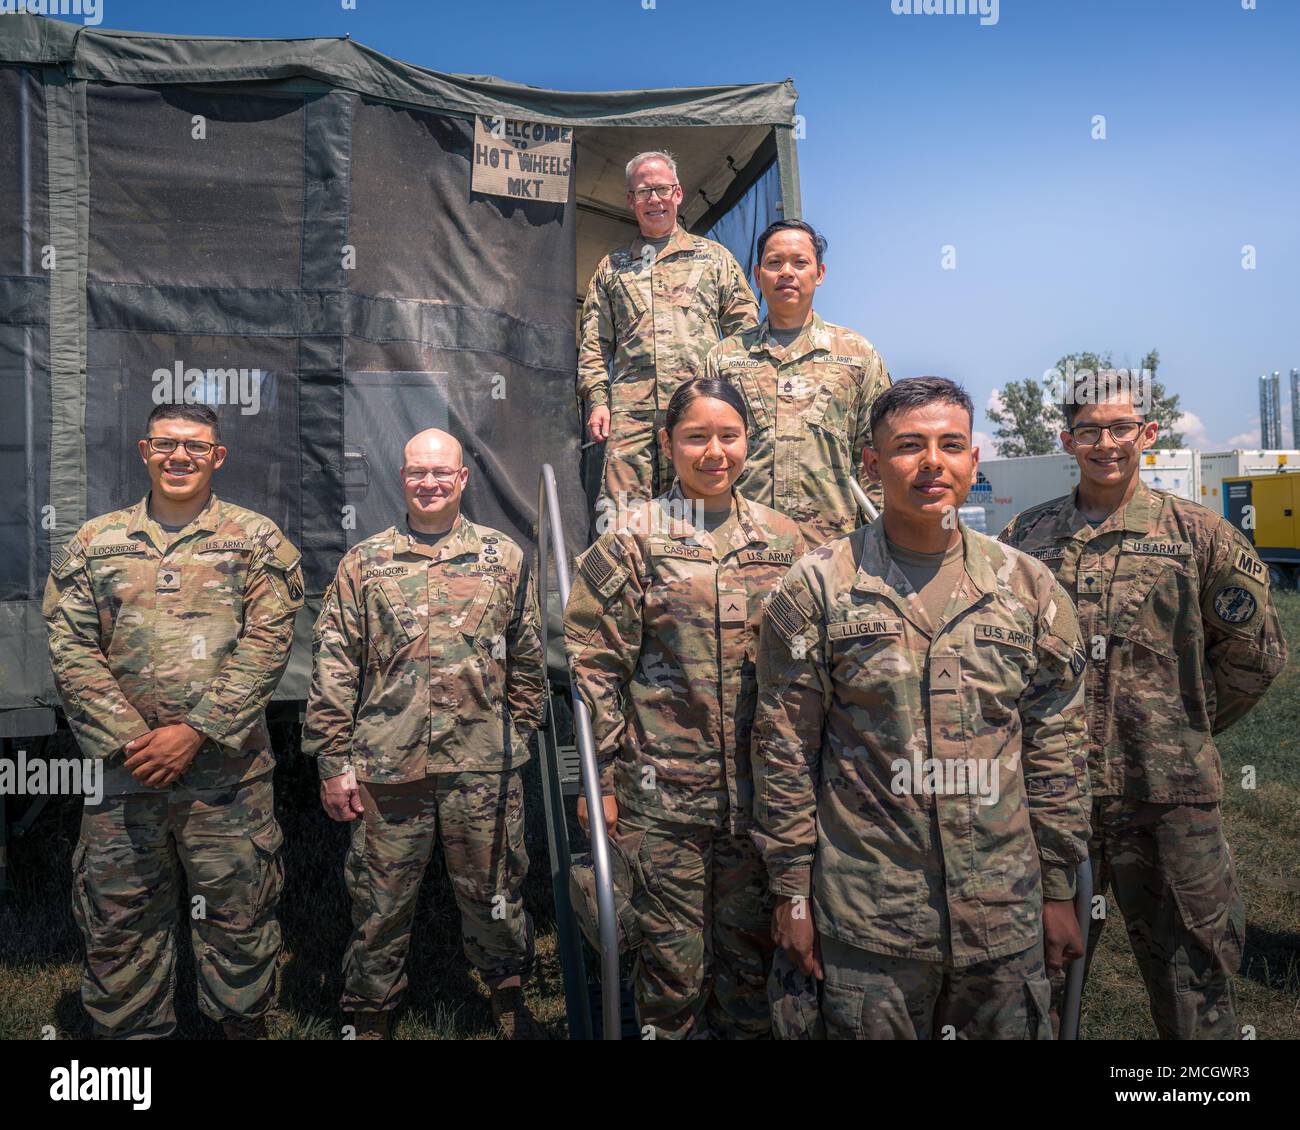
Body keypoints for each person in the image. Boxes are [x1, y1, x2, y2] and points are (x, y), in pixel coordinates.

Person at [752, 377, 1091, 1039]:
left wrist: (1057, 889)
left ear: (973, 460)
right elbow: (784, 750)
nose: (932, 462)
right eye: (909, 446)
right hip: (868, 924)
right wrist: (792, 891)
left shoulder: (1029, 588)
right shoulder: (818, 587)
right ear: (873, 466)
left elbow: (1058, 746)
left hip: (1002, 917)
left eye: (950, 445)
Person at [999, 370, 1287, 1039]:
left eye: (1121, 427)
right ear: (1067, 439)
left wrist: (1182, 726)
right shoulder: (1027, 539)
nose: (1107, 443)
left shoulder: (1199, 535)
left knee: (1193, 976)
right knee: (1033, 977)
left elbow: (1257, 653)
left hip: (1168, 801)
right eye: (1090, 430)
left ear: (1148, 434)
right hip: (1053, 800)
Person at [43, 403, 303, 1039]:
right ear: (143, 450)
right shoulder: (95, 542)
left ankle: (243, 1028)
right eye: (165, 444)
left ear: (217, 457)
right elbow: (69, 643)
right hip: (123, 779)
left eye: (195, 446)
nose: (178, 456)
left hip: (227, 780)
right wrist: (133, 740)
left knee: (239, 920)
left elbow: (269, 644)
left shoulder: (256, 539)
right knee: (118, 923)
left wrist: (195, 732)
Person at [564, 377, 806, 1038]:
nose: (714, 451)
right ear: (669, 444)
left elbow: (809, 672)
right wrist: (600, 779)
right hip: (662, 805)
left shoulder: (787, 545)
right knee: (672, 980)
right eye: (696, 437)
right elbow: (594, 664)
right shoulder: (633, 538)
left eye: (728, 435)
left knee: (754, 979)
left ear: (748, 441)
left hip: (762, 806)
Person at [303, 428, 545, 1040]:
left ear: (463, 478)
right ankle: (371, 1013)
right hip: (388, 766)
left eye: (442, 473)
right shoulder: (366, 563)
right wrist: (333, 760)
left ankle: (509, 1001)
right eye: (418, 473)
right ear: (402, 478)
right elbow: (334, 664)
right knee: (379, 903)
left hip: (482, 768)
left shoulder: (505, 558)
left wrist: (512, 736)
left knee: (496, 894)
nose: (430, 483)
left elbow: (528, 659)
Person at [578, 150, 758, 518]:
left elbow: (746, 334)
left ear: (678, 193)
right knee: (622, 518)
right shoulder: (612, 268)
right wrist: (598, 398)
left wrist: (737, 400)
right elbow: (594, 342)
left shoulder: (715, 259)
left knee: (698, 512)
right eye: (644, 192)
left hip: (698, 415)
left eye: (662, 189)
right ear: (631, 201)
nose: (654, 200)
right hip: (633, 418)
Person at [704, 219, 891, 547]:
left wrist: (884, 539)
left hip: (836, 552)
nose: (786, 272)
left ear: (819, 274)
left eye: (800, 262)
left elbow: (879, 456)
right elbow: (704, 453)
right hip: (743, 550)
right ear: (758, 274)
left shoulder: (858, 355)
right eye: (774, 263)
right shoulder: (723, 359)